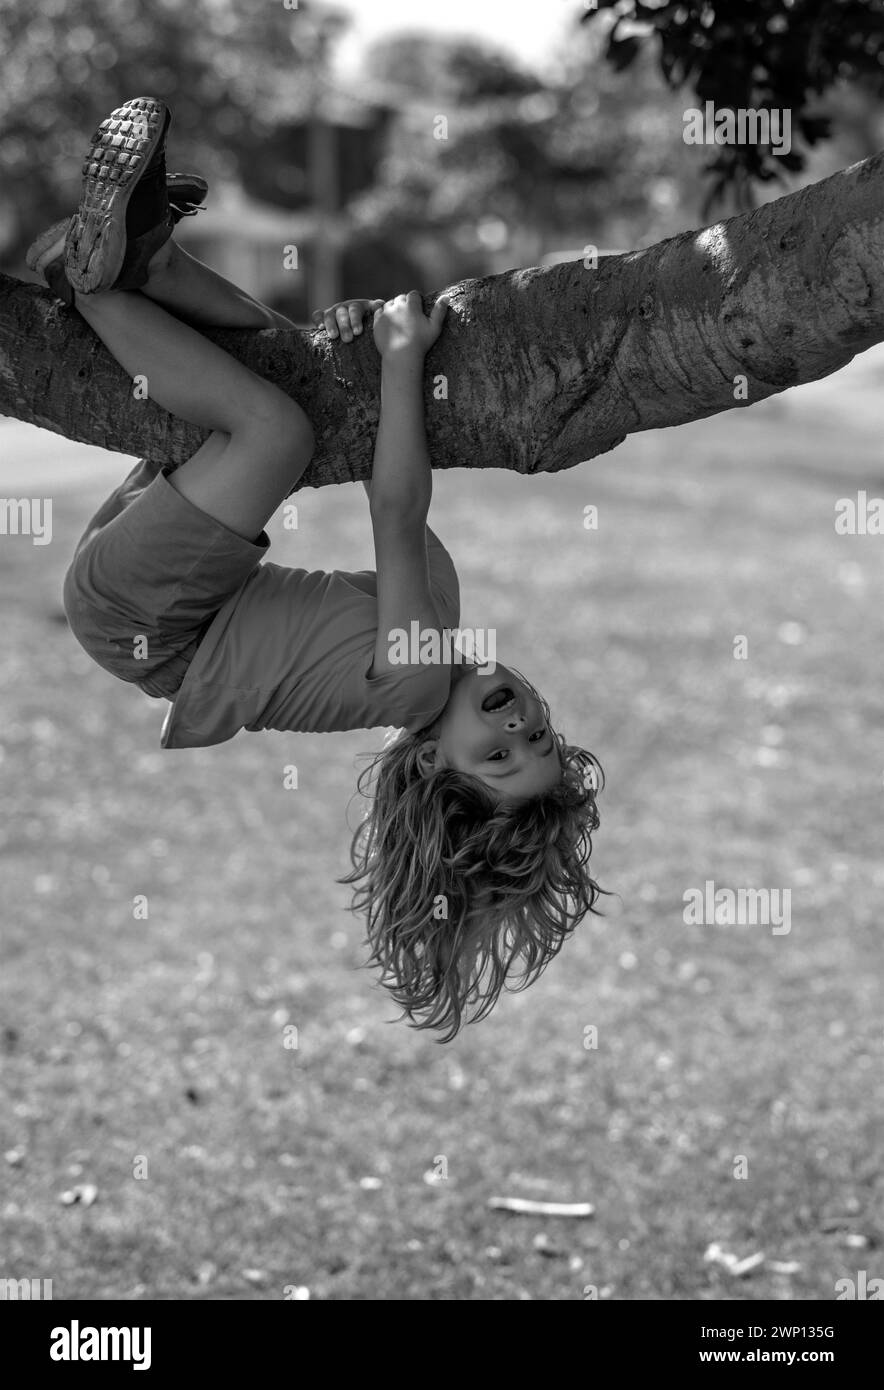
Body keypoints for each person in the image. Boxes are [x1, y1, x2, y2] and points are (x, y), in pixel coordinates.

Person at [28, 96, 607, 1041]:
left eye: (497, 756)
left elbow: (395, 507)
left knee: (277, 428)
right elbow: (392, 491)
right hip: (164, 605)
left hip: (150, 614)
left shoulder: (420, 673)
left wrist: (400, 362)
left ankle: (96, 291)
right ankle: (143, 266)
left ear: (429, 765)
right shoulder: (435, 652)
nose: (520, 726)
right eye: (539, 738)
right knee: (300, 386)